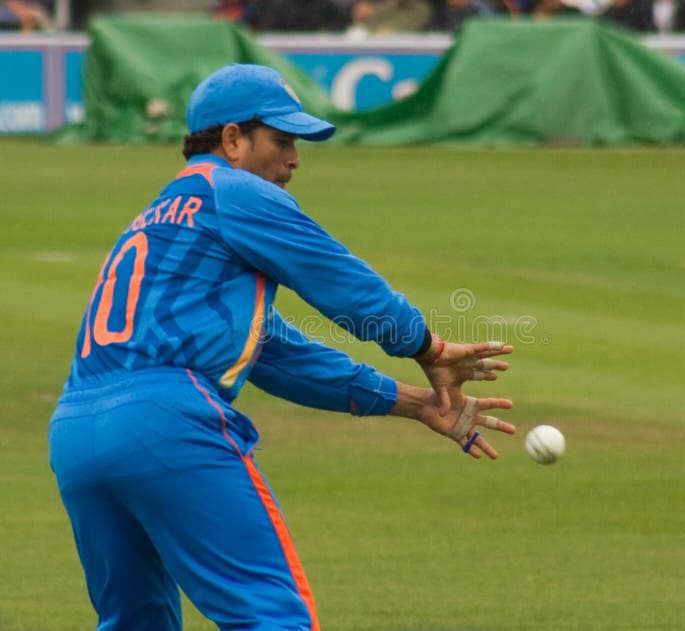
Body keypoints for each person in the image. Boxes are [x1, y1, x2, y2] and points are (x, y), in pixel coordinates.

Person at [48, 63, 515, 631]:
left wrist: (414, 403)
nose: (295, 160)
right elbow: (342, 283)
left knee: (135, 623)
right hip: (165, 420)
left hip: (75, 434)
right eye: (283, 140)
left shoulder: (158, 219)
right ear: (232, 139)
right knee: (271, 618)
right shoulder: (234, 190)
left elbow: (274, 351)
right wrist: (425, 345)